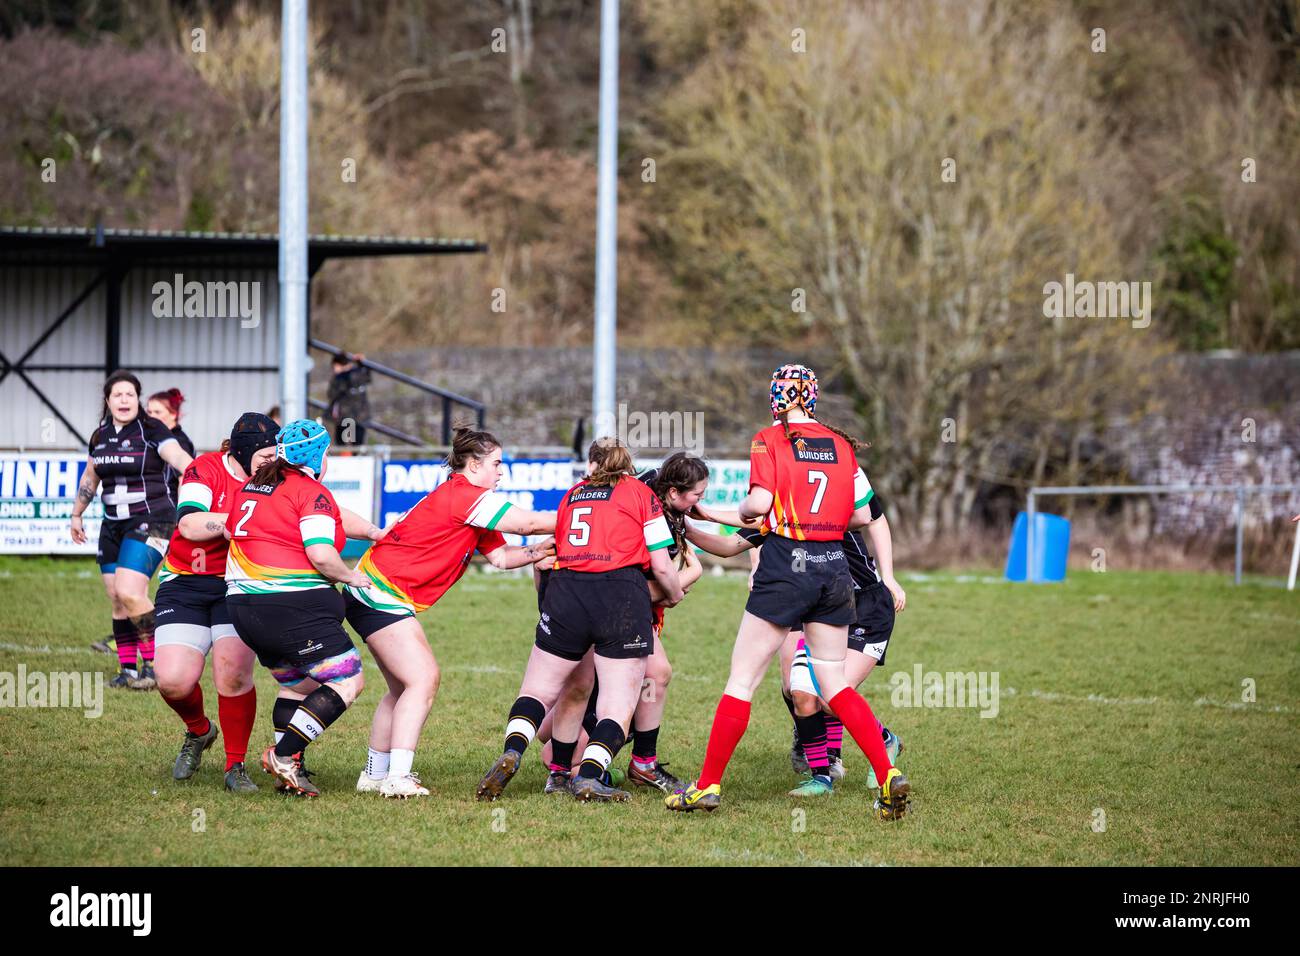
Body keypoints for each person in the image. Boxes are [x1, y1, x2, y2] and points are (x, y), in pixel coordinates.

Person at [665, 364, 911, 819]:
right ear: (813, 399)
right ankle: (887, 775)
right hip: (833, 569)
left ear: (776, 398)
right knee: (833, 683)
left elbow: (757, 506)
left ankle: (707, 786)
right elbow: (869, 515)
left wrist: (747, 508)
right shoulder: (841, 445)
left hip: (786, 565)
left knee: (741, 681)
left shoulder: (769, 438)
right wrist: (887, 571)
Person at [342, 423, 557, 798]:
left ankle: (375, 775)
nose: (501, 471)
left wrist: (536, 552)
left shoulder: (471, 501)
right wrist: (589, 512)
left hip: (371, 590)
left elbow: (502, 557)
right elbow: (529, 523)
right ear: (473, 465)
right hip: (380, 592)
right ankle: (397, 778)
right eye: (496, 463)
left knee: (402, 688)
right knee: (423, 679)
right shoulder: (466, 496)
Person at [476, 438, 684, 803]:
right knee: (617, 706)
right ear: (628, 466)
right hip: (620, 594)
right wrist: (674, 592)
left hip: (566, 593)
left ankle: (513, 751)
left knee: (537, 692)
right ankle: (588, 775)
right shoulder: (640, 494)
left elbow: (556, 549)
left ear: (591, 466)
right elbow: (662, 564)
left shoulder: (572, 494)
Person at [688, 492, 906, 795]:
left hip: (865, 608)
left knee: (829, 698)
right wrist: (689, 525)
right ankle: (822, 775)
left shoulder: (828, 507)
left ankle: (883, 740)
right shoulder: (784, 514)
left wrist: (890, 576)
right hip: (812, 599)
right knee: (799, 690)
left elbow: (873, 516)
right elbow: (734, 541)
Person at [536, 454, 707, 794]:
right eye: (698, 496)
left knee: (588, 692)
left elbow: (730, 544)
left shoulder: (648, 506)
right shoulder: (644, 512)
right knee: (651, 678)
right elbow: (630, 588)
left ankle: (562, 763)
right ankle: (628, 763)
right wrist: (688, 576)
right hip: (609, 615)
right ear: (672, 492)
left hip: (575, 609)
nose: (700, 502)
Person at [223, 419, 376, 797]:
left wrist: (374, 532)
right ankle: (284, 755)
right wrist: (350, 577)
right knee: (347, 680)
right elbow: (322, 554)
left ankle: (289, 774)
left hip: (243, 608)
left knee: (297, 685)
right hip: (289, 607)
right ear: (318, 456)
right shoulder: (311, 491)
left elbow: (232, 530)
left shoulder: (254, 485)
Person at [152, 413, 279, 792]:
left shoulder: (275, 476)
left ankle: (234, 766)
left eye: (276, 454)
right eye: (265, 455)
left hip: (237, 586)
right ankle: (199, 730)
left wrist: (374, 531)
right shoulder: (204, 468)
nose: (272, 462)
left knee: (233, 673)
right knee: (172, 681)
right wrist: (239, 520)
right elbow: (189, 525)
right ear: (242, 452)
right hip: (185, 585)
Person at [71, 370, 194, 690]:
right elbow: (90, 478)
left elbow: (181, 459)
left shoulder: (152, 430)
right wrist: (76, 515)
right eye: (117, 395)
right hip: (112, 523)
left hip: (154, 519)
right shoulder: (100, 436)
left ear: (137, 399)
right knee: (116, 597)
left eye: (129, 394)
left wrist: (194, 488)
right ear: (108, 400)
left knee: (130, 591)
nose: (124, 400)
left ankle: (155, 666)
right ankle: (127, 669)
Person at [147, 388, 196, 502]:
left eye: (157, 412)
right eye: (149, 412)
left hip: (169, 509)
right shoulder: (156, 438)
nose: (151, 417)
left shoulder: (178, 441)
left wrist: (180, 515)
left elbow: (184, 479)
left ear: (173, 414)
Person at [327, 350, 370, 448]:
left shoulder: (346, 376)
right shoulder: (356, 373)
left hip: (350, 418)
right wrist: (361, 364)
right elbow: (332, 394)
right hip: (352, 418)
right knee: (350, 447)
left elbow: (332, 394)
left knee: (348, 447)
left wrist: (360, 363)